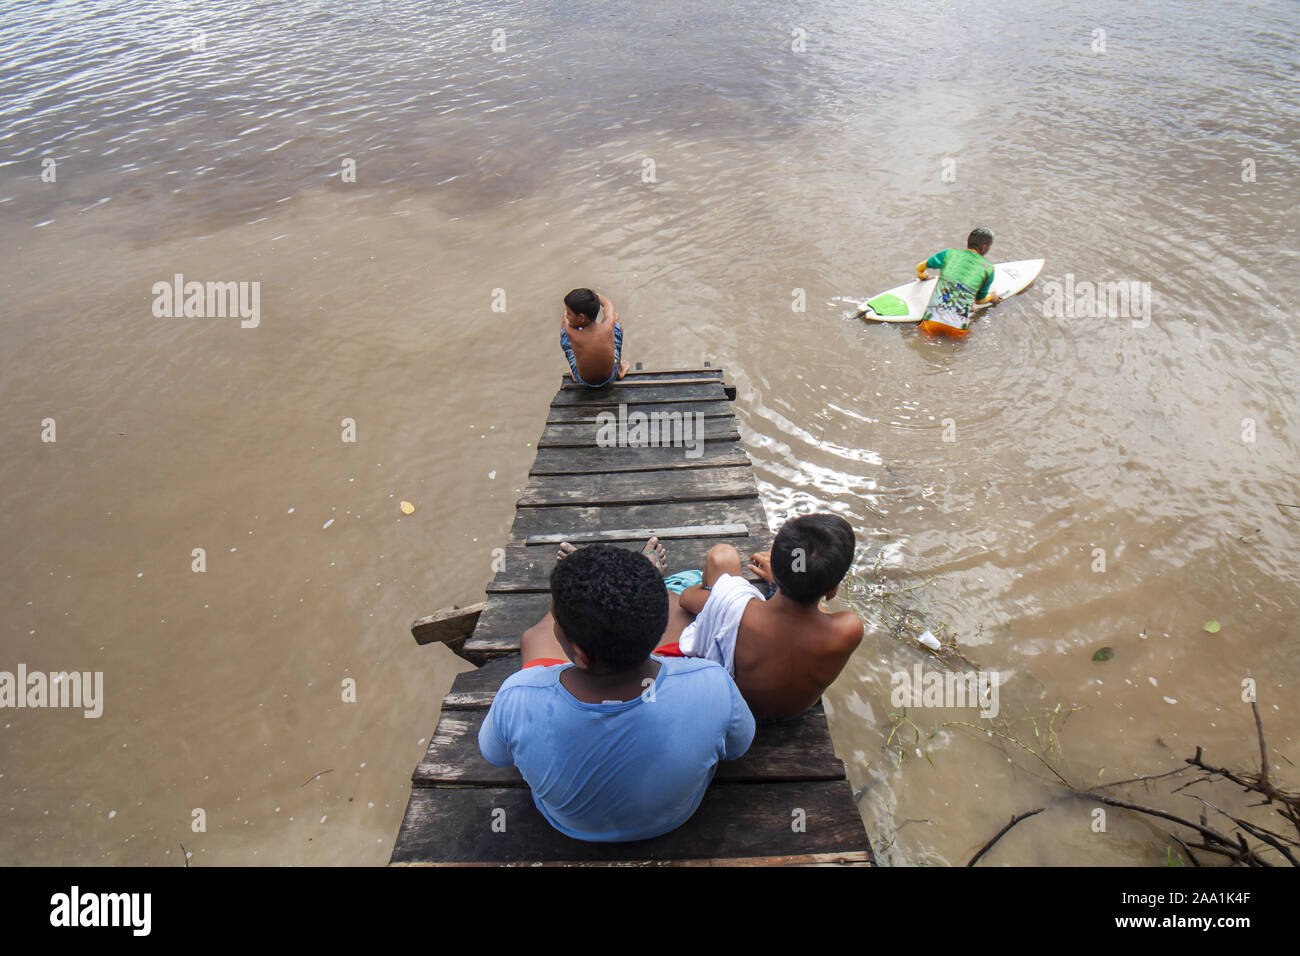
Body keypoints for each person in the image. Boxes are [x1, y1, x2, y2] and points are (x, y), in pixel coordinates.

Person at [479, 541, 755, 842]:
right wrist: (642, 584)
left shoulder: (518, 696)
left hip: (570, 826)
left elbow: (496, 756)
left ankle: (580, 600)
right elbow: (737, 746)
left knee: (534, 637)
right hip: (675, 817)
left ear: (579, 654)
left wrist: (573, 601)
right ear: (657, 632)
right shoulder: (712, 683)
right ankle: (641, 582)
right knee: (681, 612)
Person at [674, 514, 864, 720]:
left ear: (775, 565)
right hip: (792, 713)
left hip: (739, 709)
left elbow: (686, 599)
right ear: (833, 590)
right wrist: (791, 581)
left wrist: (720, 590)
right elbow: (810, 620)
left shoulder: (738, 610)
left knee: (722, 556)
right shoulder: (850, 630)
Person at [915, 226, 1003, 338]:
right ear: (985, 247)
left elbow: (919, 267)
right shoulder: (988, 268)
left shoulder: (948, 254)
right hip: (957, 328)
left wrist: (923, 276)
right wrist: (992, 297)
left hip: (932, 322)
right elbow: (979, 300)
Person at [560, 288, 630, 387]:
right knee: (616, 321)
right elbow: (608, 304)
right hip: (610, 377)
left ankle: (575, 372)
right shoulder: (608, 325)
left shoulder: (572, 334)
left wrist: (567, 314)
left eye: (569, 314)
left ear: (581, 318)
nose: (567, 316)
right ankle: (619, 369)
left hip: (584, 381)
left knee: (564, 333)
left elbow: (565, 322)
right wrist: (593, 297)